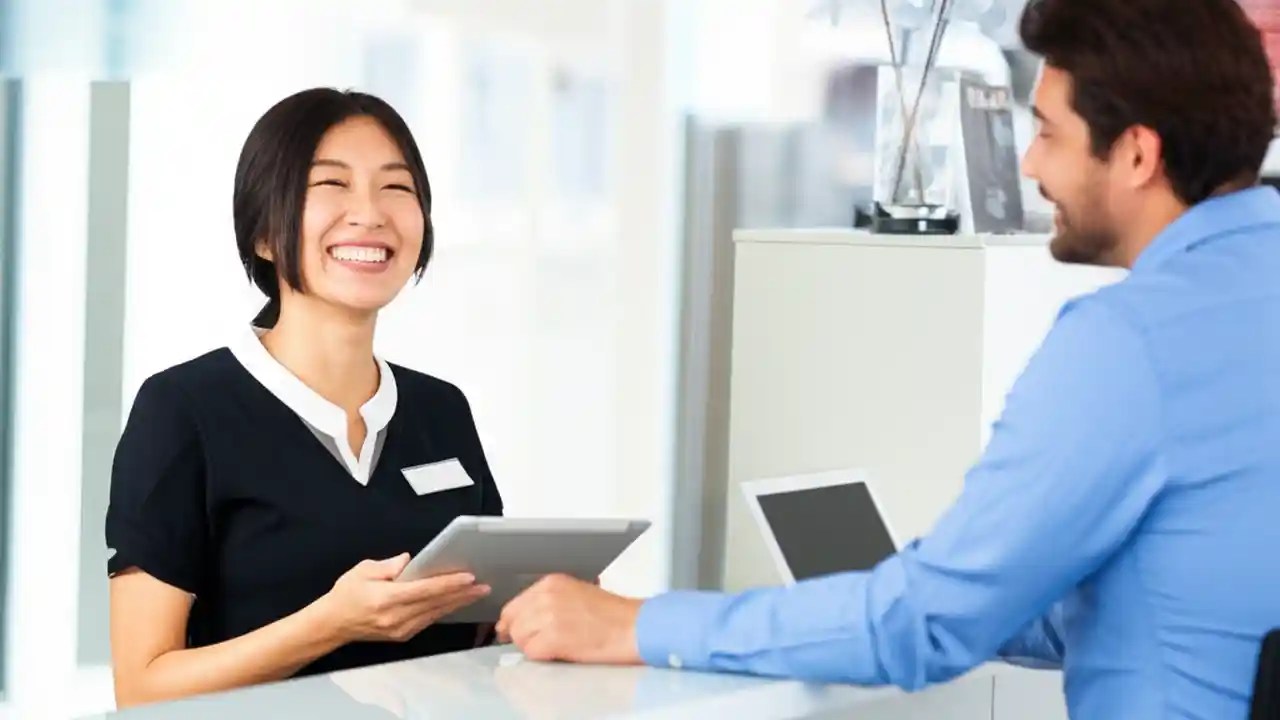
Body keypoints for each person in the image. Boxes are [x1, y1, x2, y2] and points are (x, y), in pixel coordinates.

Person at [495, 0, 1280, 717]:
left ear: (1137, 154)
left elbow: (925, 626)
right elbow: (1172, 593)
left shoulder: (1127, 344)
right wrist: (957, 586)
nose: (1030, 166)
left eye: (1046, 133)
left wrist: (634, 624)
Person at [106, 88, 503, 709]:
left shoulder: (442, 410)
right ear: (265, 232)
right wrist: (331, 624)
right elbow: (141, 688)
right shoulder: (184, 410)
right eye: (332, 184)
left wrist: (525, 619)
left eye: (396, 187)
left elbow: (478, 628)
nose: (369, 213)